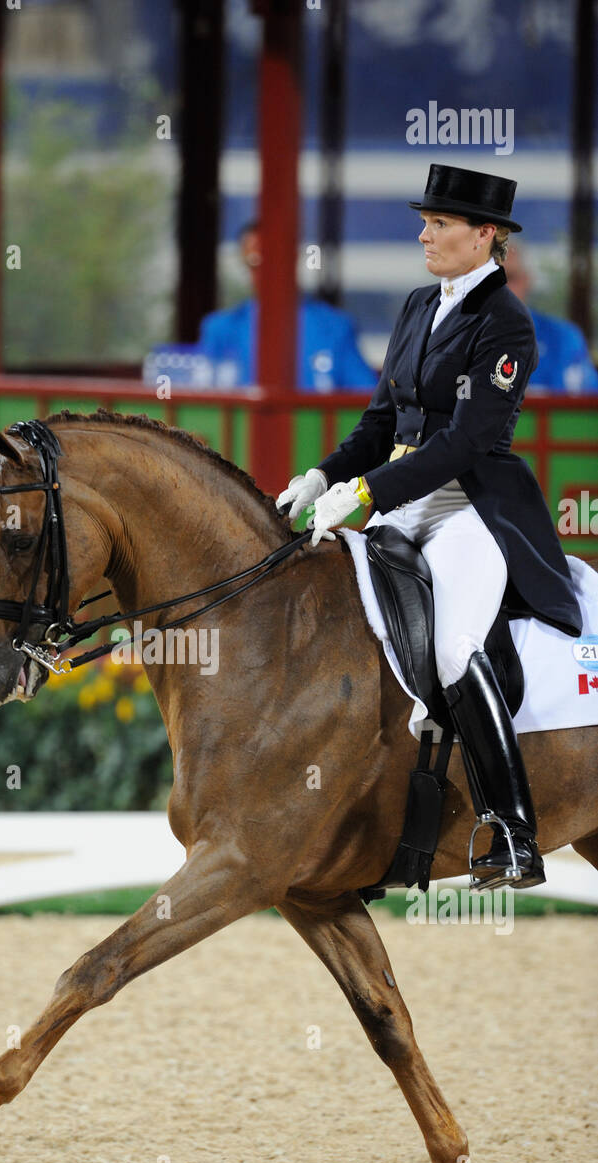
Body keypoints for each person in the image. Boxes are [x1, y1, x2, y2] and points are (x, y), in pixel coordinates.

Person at [278, 164, 582, 890]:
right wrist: (321, 476)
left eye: (439, 225)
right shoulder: (419, 305)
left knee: (451, 647)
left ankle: (510, 830)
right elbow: (381, 420)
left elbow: (466, 442)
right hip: (399, 499)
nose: (424, 235)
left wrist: (365, 492)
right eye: (425, 222)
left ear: (485, 237)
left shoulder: (505, 323)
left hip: (469, 508)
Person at [197, 221, 377, 391]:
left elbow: (367, 400)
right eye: (254, 262)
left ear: (294, 258)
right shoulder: (221, 329)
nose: (267, 270)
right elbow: (203, 399)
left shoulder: (335, 327)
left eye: (275, 260)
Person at [504, 243, 598, 393]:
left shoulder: (564, 338)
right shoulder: (461, 336)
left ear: (526, 280)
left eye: (510, 278)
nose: (501, 287)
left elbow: (588, 406)